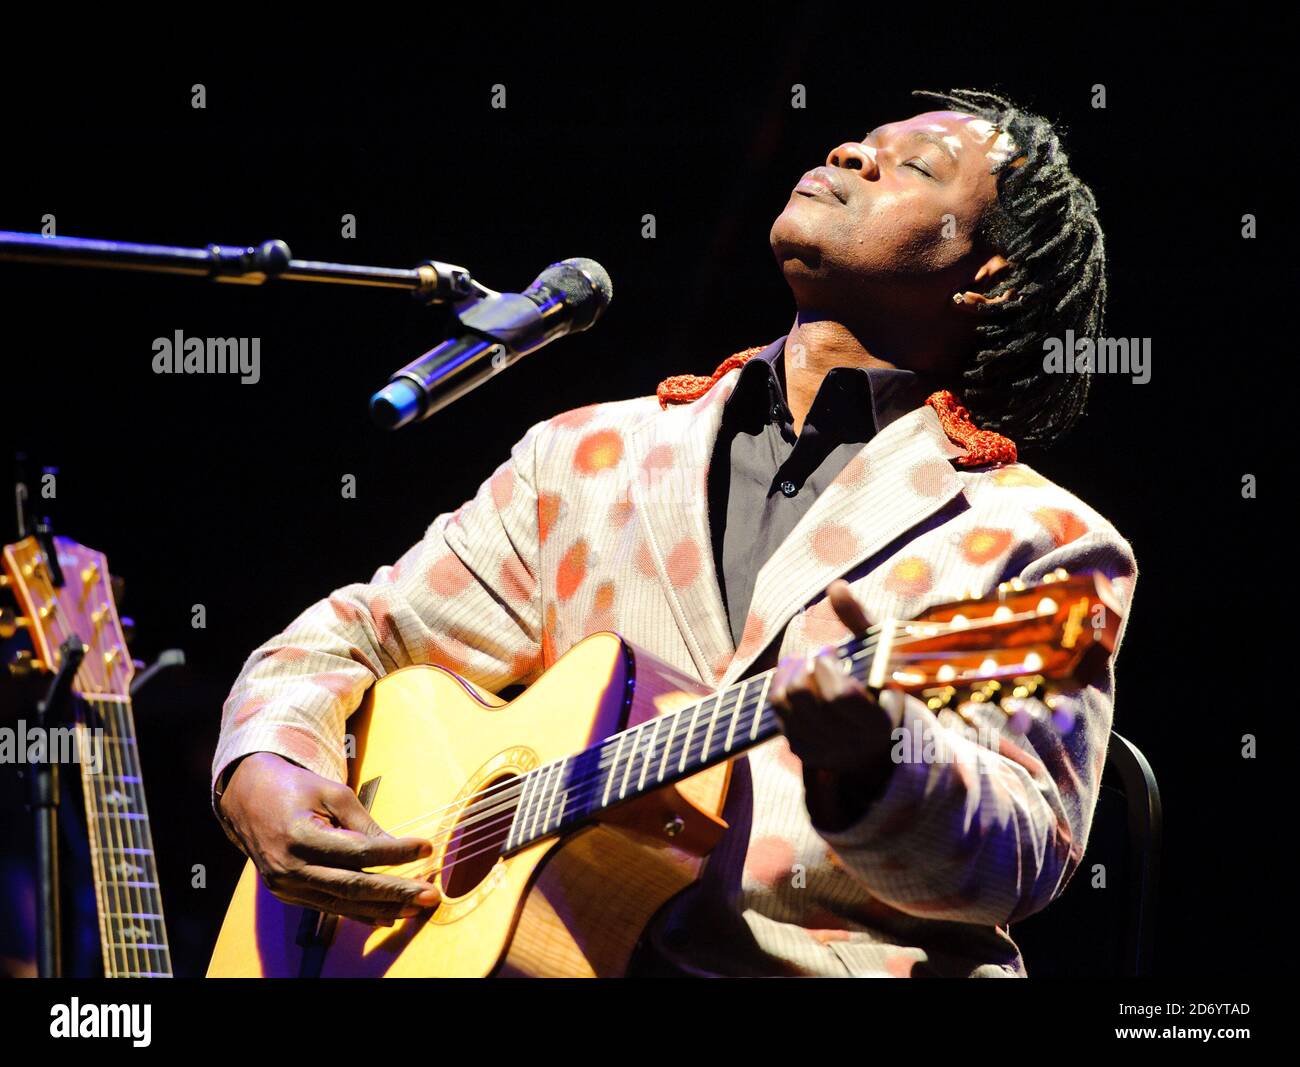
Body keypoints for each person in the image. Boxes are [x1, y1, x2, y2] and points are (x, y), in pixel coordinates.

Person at [212, 88, 1137, 977]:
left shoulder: (1034, 535)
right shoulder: (590, 456)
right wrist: (268, 763)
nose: (850, 152)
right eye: (859, 141)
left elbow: (1021, 855)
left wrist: (881, 758)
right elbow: (355, 636)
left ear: (988, 277)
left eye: (916, 166)